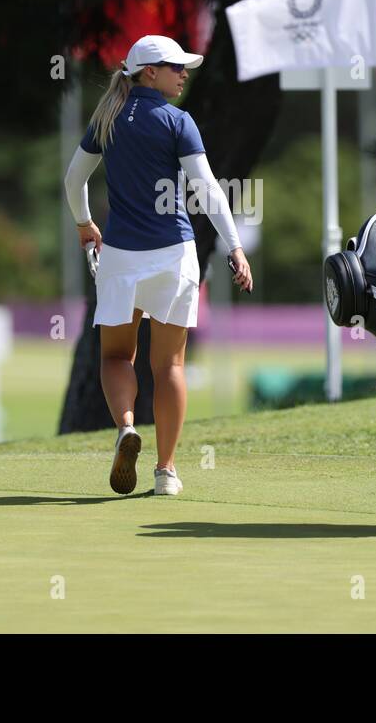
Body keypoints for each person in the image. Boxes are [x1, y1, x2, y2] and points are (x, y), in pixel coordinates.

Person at [64, 35, 253, 496]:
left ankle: (127, 427)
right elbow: (207, 188)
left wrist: (85, 224)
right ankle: (166, 471)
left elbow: (74, 179)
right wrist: (234, 247)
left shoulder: (106, 118)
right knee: (168, 364)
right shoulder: (177, 121)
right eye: (175, 67)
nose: (184, 73)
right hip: (174, 254)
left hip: (122, 257)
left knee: (114, 357)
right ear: (150, 72)